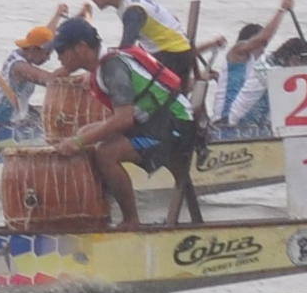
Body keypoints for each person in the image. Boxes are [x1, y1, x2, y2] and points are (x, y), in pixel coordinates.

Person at [49, 16, 204, 227]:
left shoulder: (113, 68)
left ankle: (131, 220)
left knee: (106, 152)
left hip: (175, 129)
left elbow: (123, 119)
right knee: (86, 130)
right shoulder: (106, 64)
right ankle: (100, 210)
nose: (58, 58)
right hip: (158, 122)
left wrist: (77, 143)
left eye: (61, 51)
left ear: (81, 48)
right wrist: (81, 137)